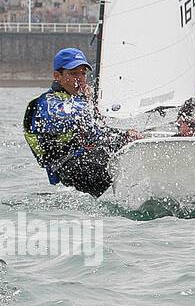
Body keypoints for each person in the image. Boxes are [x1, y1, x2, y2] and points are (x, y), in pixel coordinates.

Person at [22, 48, 140, 197]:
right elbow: (72, 120)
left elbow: (96, 131)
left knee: (128, 146)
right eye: (73, 73)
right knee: (113, 155)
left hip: (87, 159)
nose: (80, 78)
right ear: (57, 76)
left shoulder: (78, 101)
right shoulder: (47, 103)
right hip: (68, 167)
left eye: (83, 73)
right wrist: (87, 100)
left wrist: (125, 135)